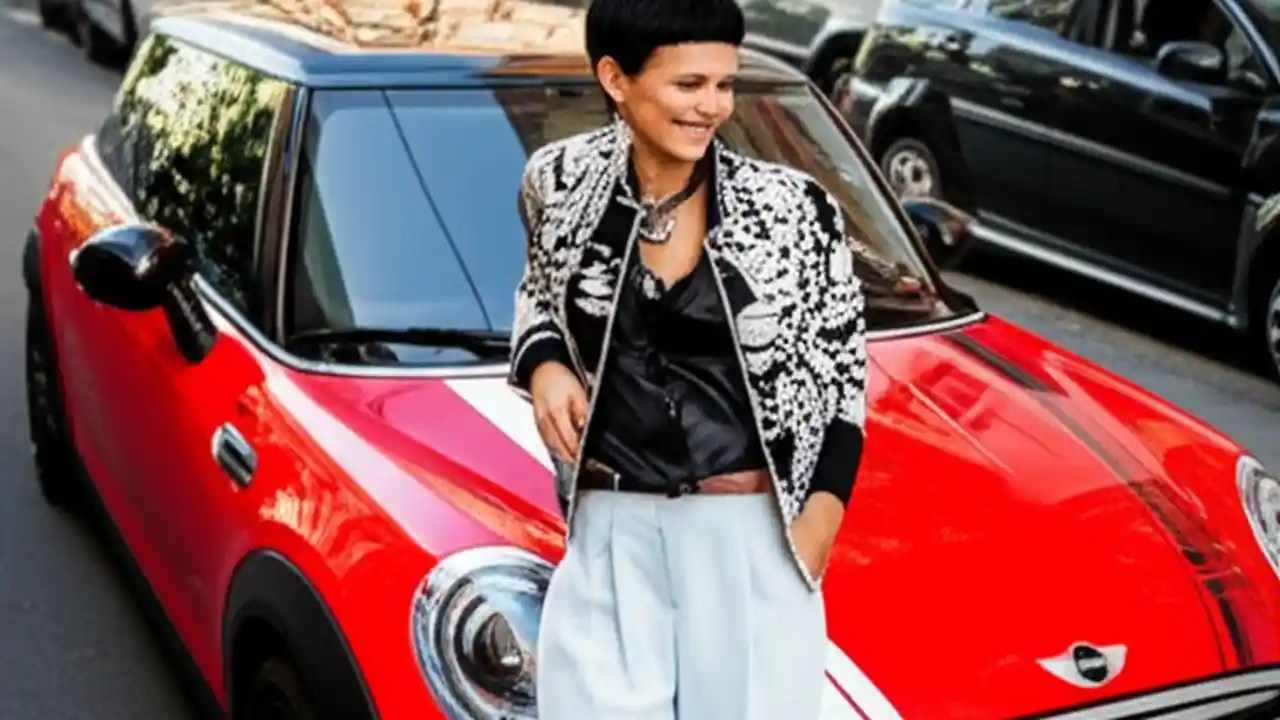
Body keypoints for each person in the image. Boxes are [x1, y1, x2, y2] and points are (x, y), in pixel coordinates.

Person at [506, 0, 868, 716]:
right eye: (689, 84)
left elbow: (843, 378)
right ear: (616, 78)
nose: (713, 107)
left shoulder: (795, 210)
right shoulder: (556, 182)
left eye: (724, 85)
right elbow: (538, 295)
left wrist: (816, 527)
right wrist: (545, 361)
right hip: (609, 534)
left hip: (746, 539)